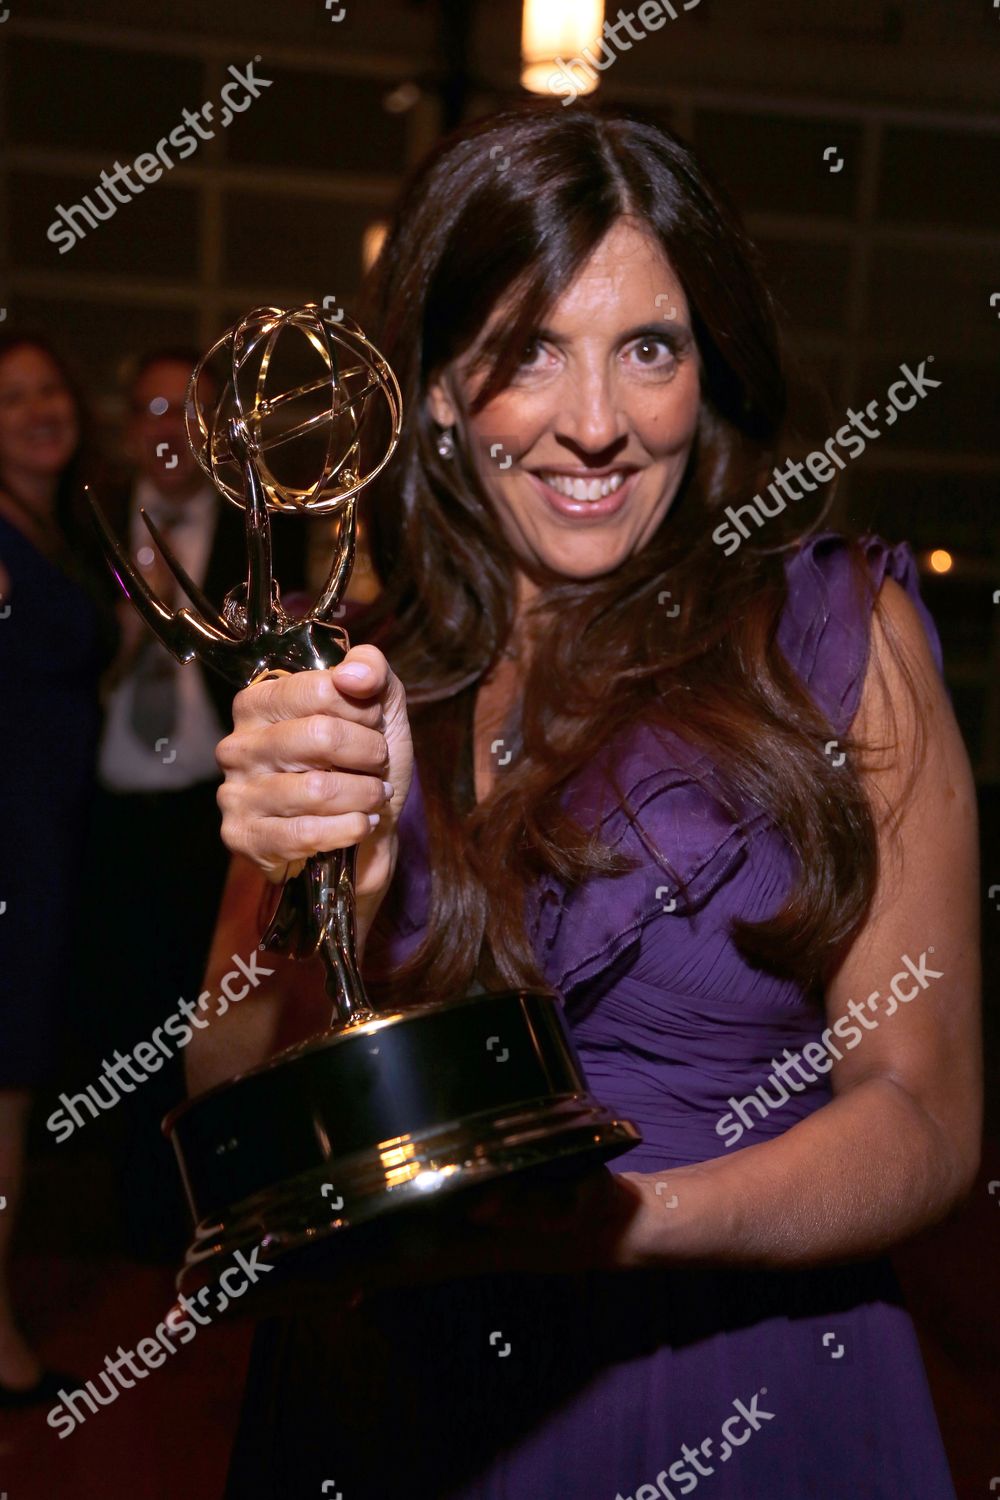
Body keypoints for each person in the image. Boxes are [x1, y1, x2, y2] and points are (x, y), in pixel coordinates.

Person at [192, 106, 979, 1498]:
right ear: (434, 387)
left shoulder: (838, 632)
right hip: (401, 1397)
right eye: (528, 352)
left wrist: (616, 1225)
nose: (598, 424)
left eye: (650, 349)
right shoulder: (356, 675)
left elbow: (926, 1120)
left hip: (737, 1373)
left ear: (709, 368)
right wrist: (328, 898)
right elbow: (221, 1093)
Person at [79, 347, 312, 1261]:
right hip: (106, 808)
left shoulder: (261, 528)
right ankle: (133, 1219)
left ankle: (210, 1208)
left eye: (189, 409)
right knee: (116, 1013)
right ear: (130, 423)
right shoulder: (82, 519)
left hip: (206, 807)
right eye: (152, 407)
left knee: (207, 1008)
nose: (168, 425)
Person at [0, 333, 117, 1403]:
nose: (40, 408)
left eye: (50, 387)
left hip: (43, 833)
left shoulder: (57, 527)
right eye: (12, 397)